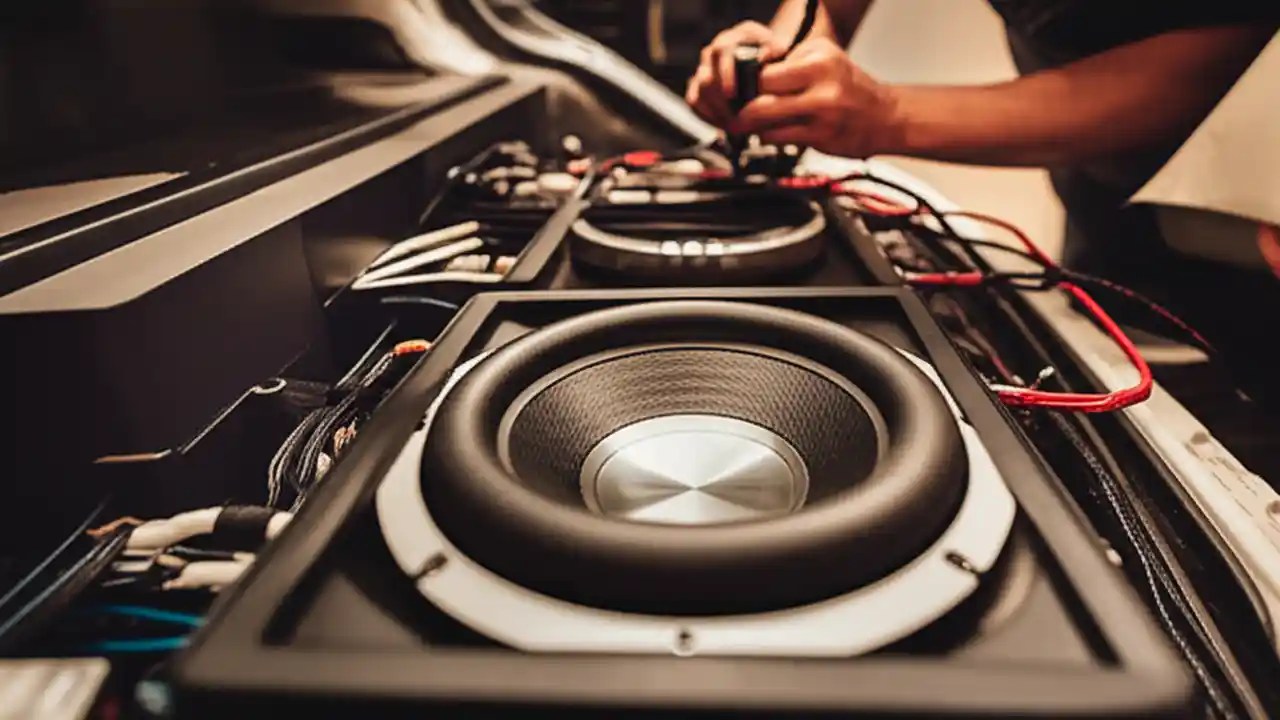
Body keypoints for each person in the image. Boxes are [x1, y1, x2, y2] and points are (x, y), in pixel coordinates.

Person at [687, 1, 1280, 401]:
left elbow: (1220, 51)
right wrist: (789, 50)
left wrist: (887, 116)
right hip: (1110, 228)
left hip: (1247, 244)